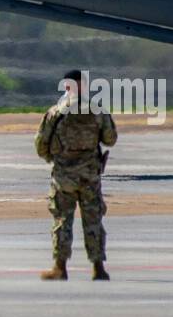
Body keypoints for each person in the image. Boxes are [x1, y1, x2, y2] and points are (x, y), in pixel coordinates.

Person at [34, 70, 117, 280]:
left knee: (63, 220)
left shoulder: (56, 113)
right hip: (90, 176)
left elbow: (41, 145)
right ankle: (98, 268)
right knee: (93, 220)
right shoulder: (98, 111)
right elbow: (110, 139)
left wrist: (56, 159)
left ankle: (60, 268)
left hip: (64, 177)